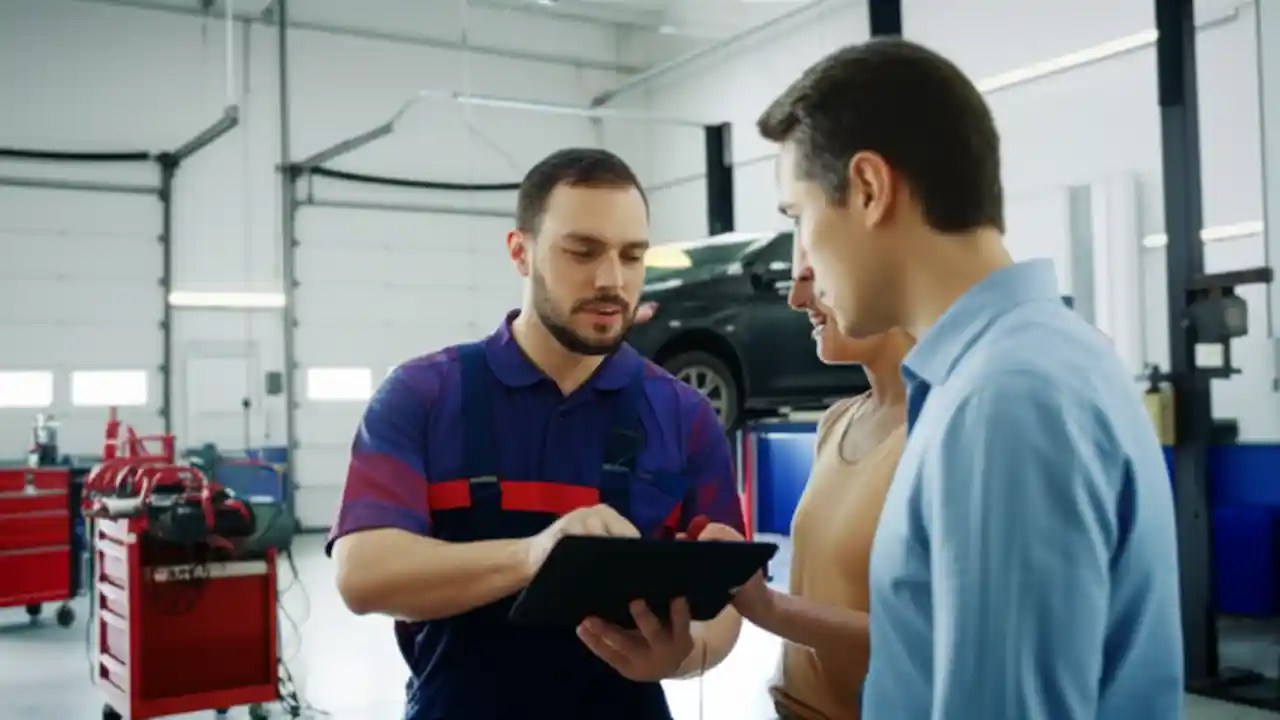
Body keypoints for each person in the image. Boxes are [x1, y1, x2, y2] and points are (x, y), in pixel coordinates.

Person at [752, 38, 1184, 719]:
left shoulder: (1004, 398)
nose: (803, 266)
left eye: (800, 217)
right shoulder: (1030, 362)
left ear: (868, 188)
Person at [326, 147, 746, 720]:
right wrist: (535, 556)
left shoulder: (686, 416)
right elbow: (362, 574)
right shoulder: (421, 396)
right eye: (582, 251)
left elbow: (729, 598)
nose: (611, 280)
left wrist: (681, 656)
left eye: (631, 256)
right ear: (520, 252)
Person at [707, 234, 913, 720]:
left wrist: (772, 609)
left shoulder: (939, 434)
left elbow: (929, 638)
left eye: (810, 278)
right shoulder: (837, 423)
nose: (796, 300)